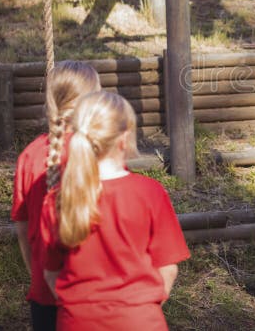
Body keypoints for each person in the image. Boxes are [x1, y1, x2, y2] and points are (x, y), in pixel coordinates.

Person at [40, 91, 189, 331]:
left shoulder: (56, 199)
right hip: (140, 321)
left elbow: (50, 274)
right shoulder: (150, 193)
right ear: (124, 138)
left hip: (76, 322)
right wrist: (139, 307)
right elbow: (168, 269)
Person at [11, 61, 100, 330]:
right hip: (96, 292)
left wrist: (37, 273)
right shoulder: (100, 154)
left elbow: (23, 229)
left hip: (45, 292)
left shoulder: (29, 155)